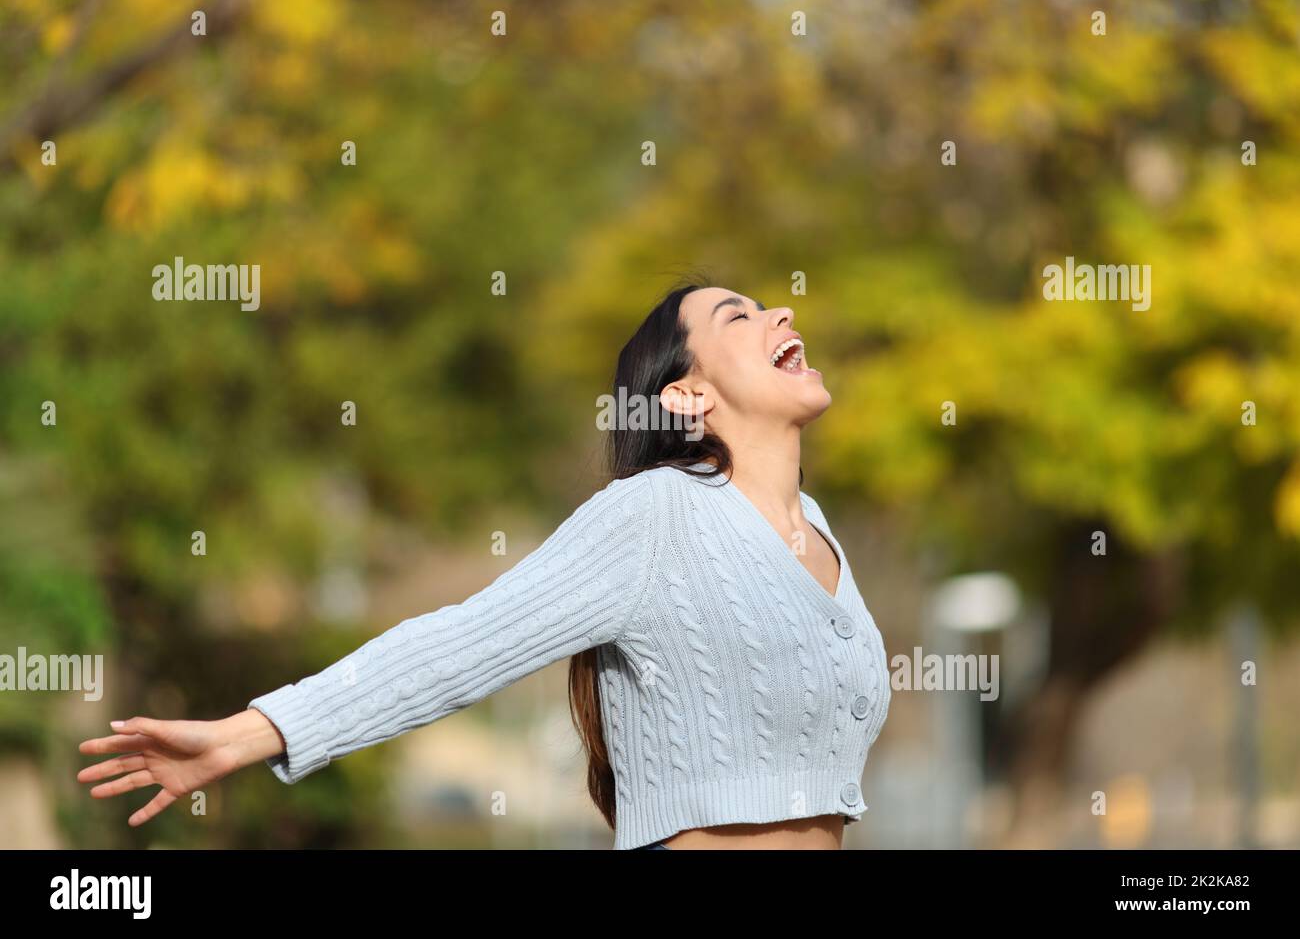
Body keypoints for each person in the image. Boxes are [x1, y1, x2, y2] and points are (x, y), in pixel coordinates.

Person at [78, 278, 891, 849]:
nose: (779, 311)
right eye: (737, 316)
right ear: (686, 394)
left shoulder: (821, 538)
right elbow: (464, 642)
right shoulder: (657, 515)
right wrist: (250, 734)